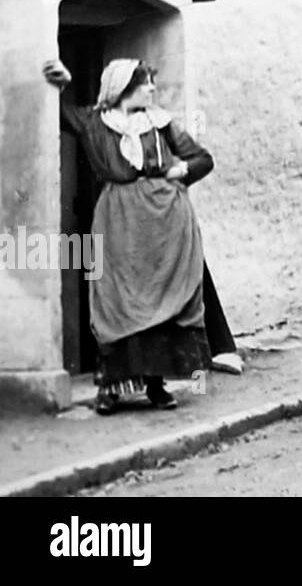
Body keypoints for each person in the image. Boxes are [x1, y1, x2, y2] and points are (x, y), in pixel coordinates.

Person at [42, 57, 211, 415]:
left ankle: (156, 384)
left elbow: (202, 159)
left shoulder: (161, 125)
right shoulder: (94, 121)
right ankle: (110, 387)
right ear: (122, 88)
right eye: (145, 83)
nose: (152, 88)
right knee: (116, 298)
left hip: (165, 221)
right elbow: (57, 112)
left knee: (163, 299)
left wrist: (181, 169)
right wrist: (64, 83)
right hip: (119, 220)